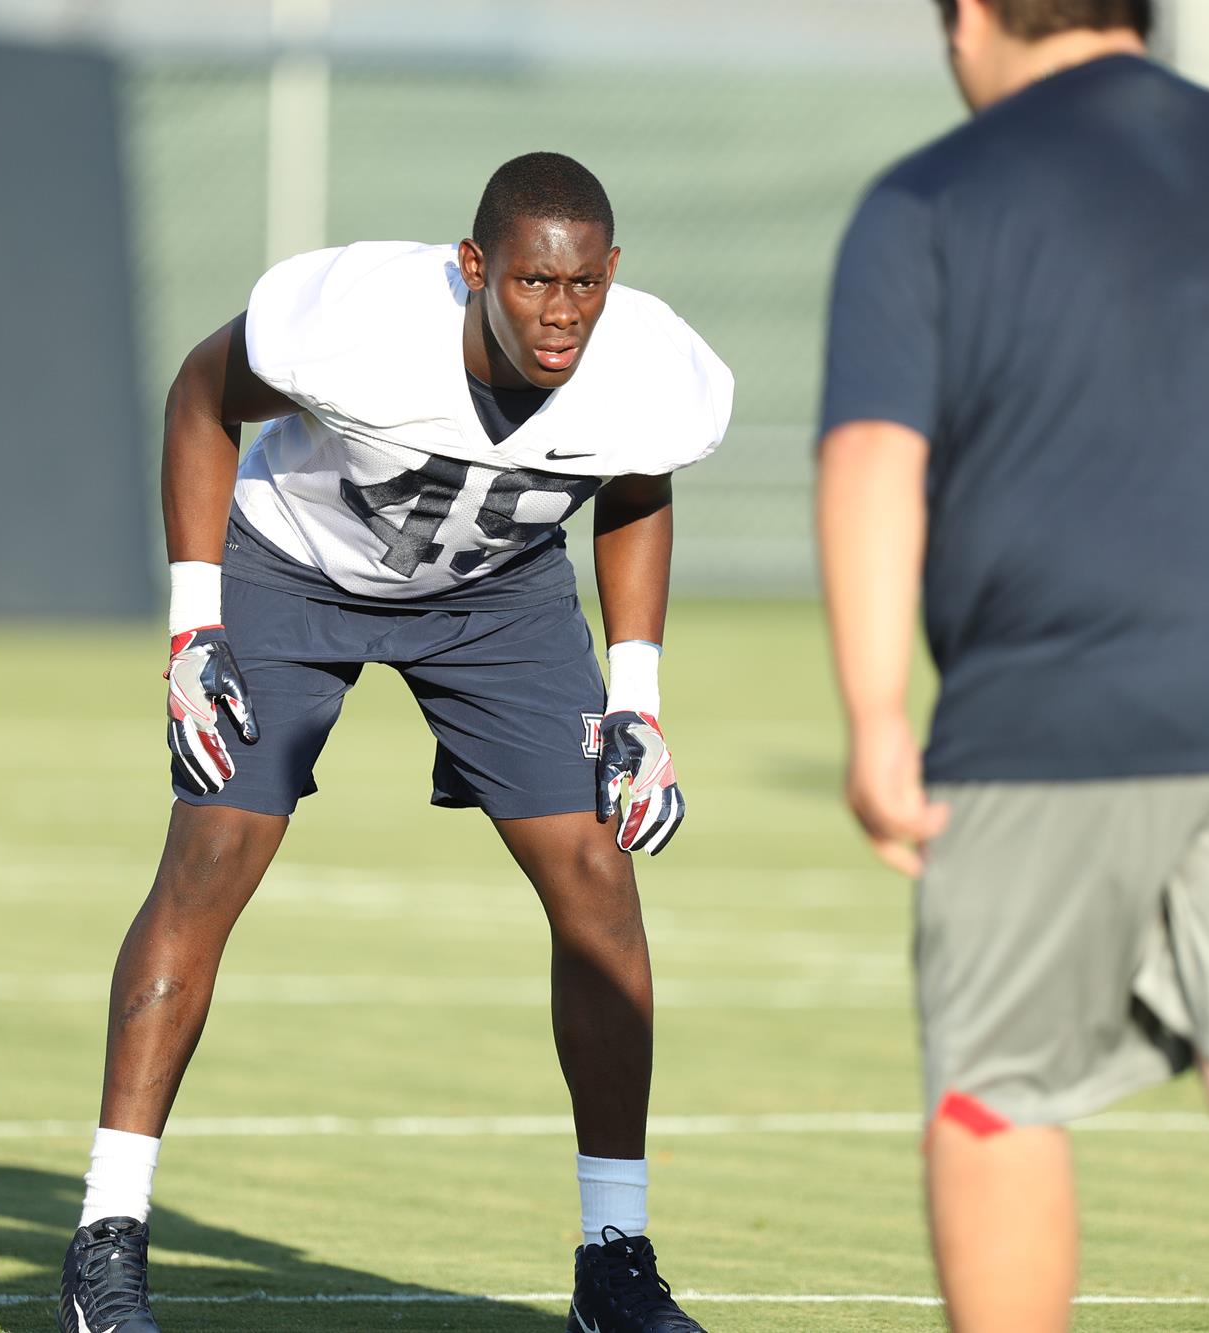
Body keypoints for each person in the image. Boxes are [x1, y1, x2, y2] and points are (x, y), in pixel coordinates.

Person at [815, 1, 1209, 1329]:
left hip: (1058, 710)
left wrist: (878, 712)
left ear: (976, 18)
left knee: (999, 1092)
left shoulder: (931, 192)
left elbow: (877, 455)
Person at [58, 152, 730, 1333]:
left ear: (611, 273)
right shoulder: (358, 321)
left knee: (596, 876)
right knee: (212, 852)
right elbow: (200, 394)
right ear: (474, 268)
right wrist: (190, 625)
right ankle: (108, 1232)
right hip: (292, 567)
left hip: (498, 596)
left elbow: (637, 482)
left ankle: (613, 1258)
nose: (560, 313)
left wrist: (638, 696)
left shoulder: (651, 362)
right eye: (530, 283)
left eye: (582, 286)